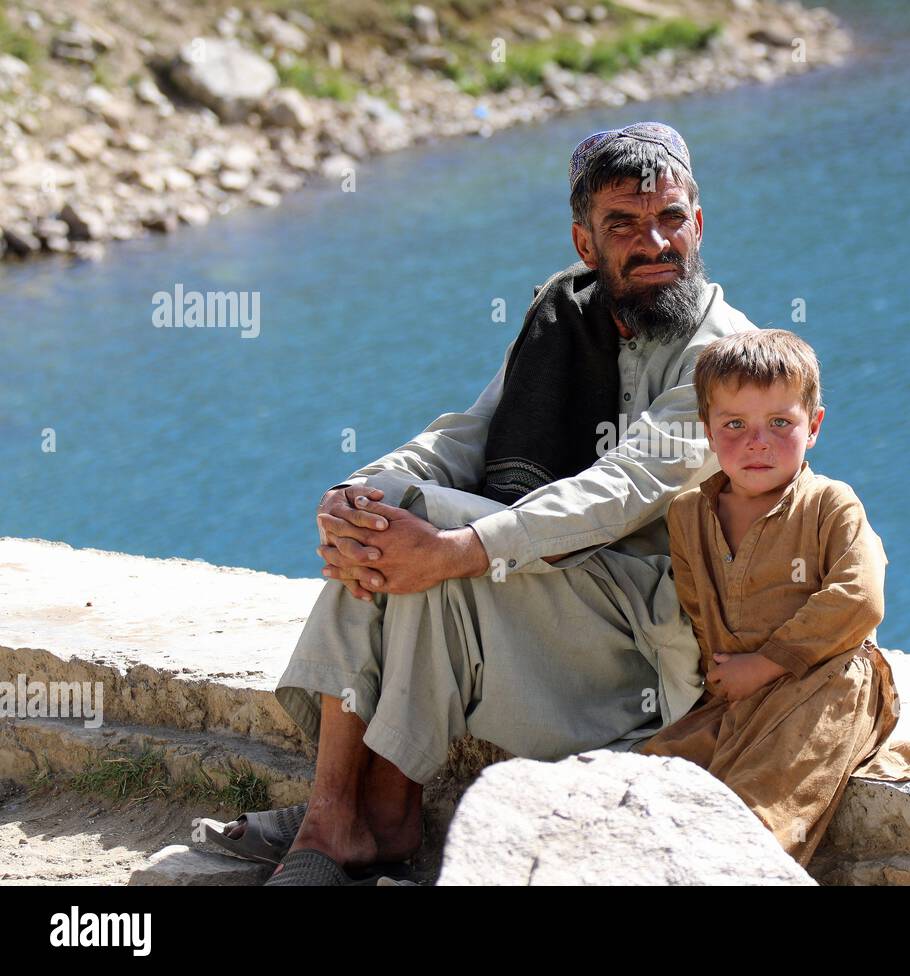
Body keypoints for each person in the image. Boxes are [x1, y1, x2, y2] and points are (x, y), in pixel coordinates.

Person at [206, 122, 763, 884]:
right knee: (387, 514)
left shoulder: (723, 356)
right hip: (543, 596)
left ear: (698, 224)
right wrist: (354, 494)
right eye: (624, 225)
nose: (655, 242)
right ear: (585, 242)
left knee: (432, 542)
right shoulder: (562, 317)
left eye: (670, 218)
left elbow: (622, 489)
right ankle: (343, 818)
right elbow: (469, 435)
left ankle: (352, 821)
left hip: (635, 633)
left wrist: (460, 546)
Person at [634, 329, 910, 867]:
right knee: (643, 788)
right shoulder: (688, 516)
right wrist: (734, 674)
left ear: (813, 426)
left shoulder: (830, 504)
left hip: (825, 682)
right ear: (707, 431)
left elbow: (860, 598)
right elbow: (701, 612)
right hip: (736, 699)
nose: (758, 442)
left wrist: (768, 662)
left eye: (780, 423)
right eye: (735, 425)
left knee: (757, 813)